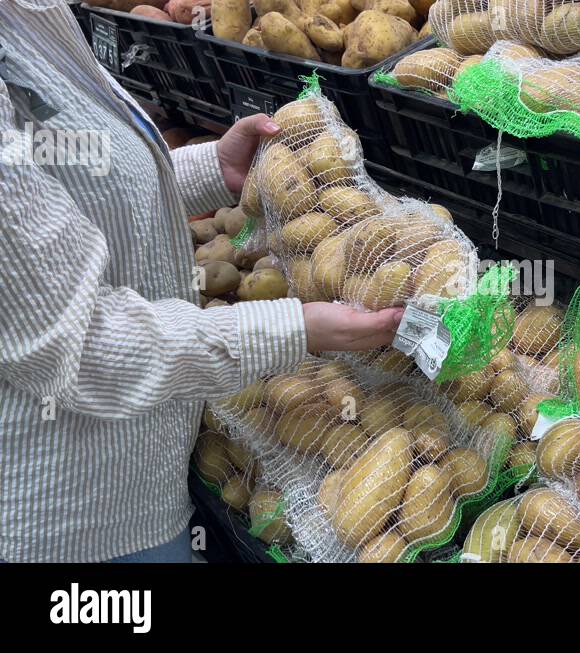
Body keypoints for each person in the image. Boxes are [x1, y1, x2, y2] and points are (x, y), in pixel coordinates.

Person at [0, 0, 403, 562]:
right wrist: (292, 328)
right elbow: (75, 344)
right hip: (81, 522)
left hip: (149, 465)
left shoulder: (24, 13)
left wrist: (208, 170)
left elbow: (74, 182)